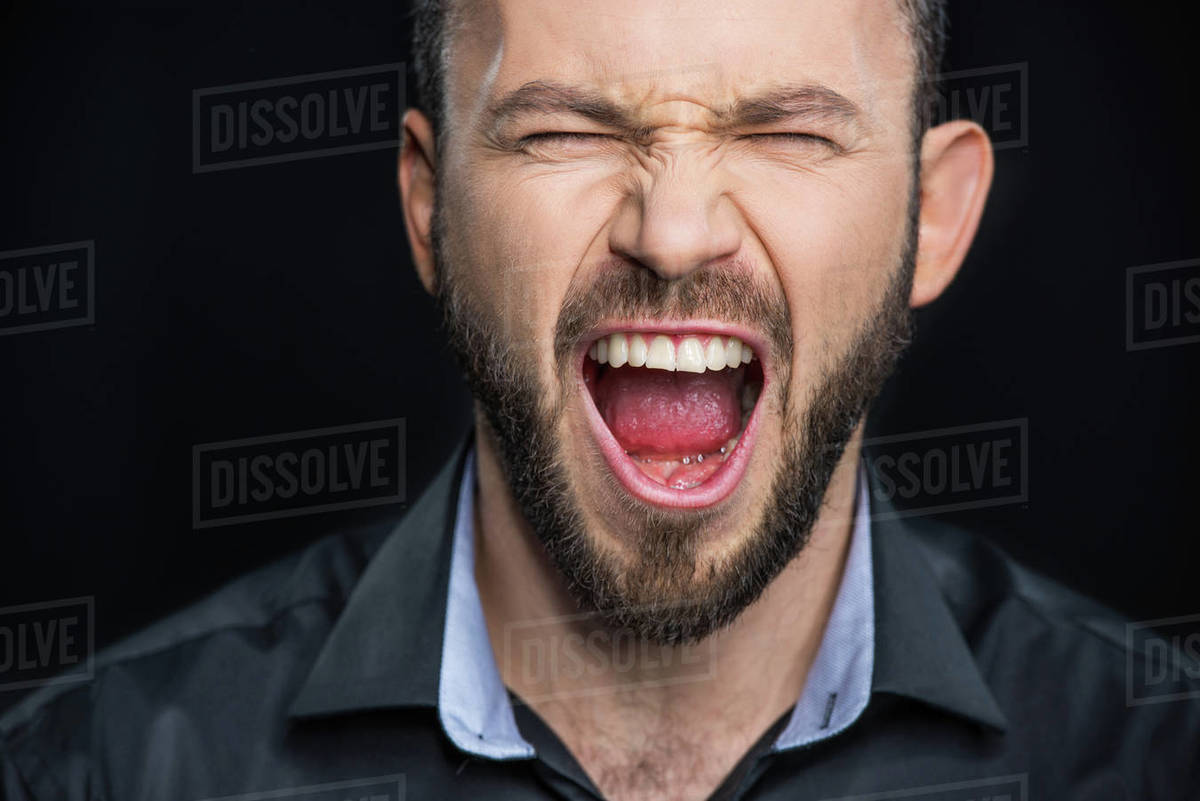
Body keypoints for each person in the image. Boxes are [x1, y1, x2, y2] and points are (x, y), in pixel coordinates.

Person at [3, 1, 1196, 799]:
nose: (672, 233)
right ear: (430, 206)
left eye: (786, 133)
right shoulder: (99, 770)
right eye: (564, 132)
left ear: (932, 217)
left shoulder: (1154, 757)